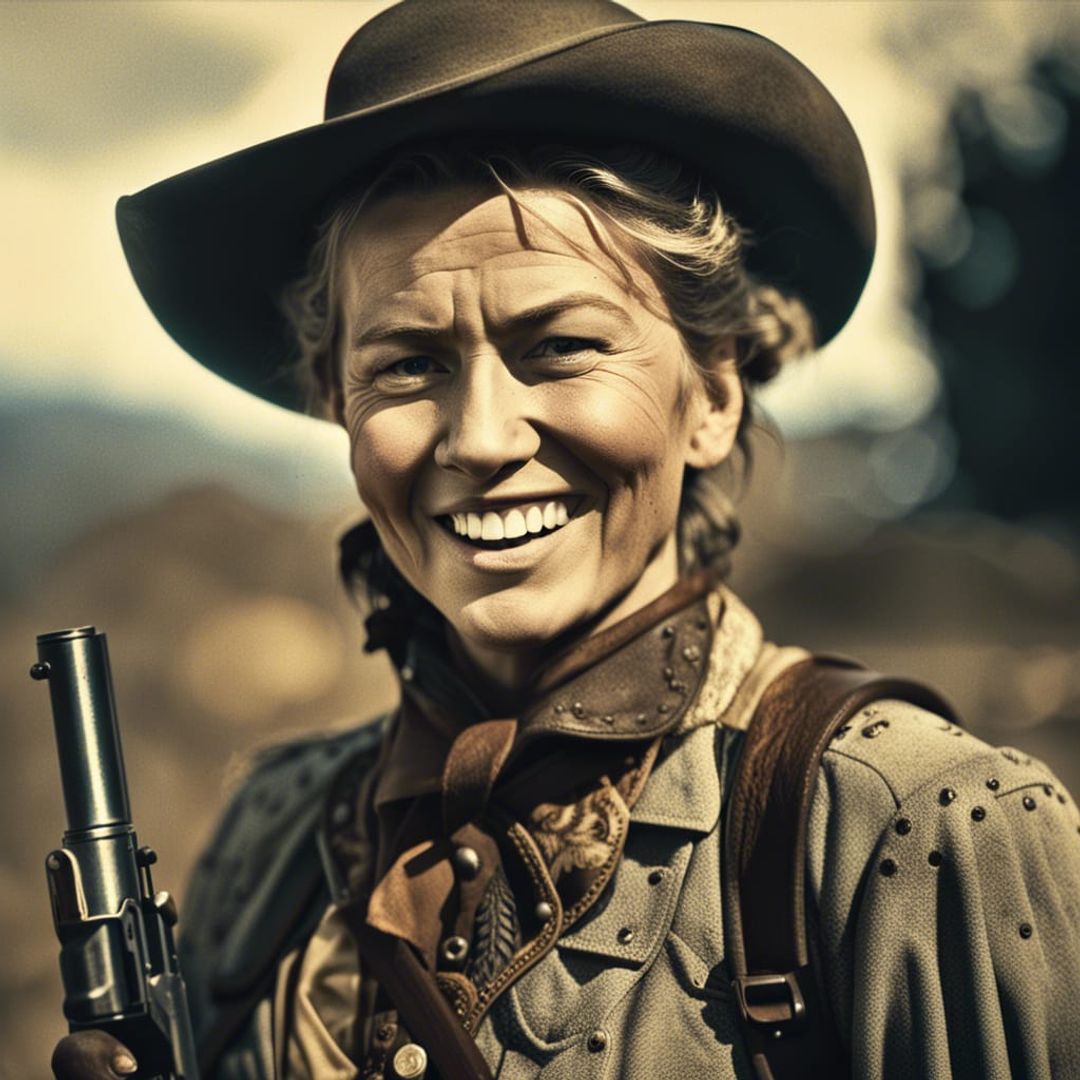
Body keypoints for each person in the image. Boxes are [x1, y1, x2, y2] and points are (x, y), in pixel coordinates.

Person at [52, 2, 1080, 1078]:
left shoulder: (919, 833)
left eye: (560, 347)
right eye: (408, 364)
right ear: (335, 400)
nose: (483, 439)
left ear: (714, 394)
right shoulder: (271, 841)